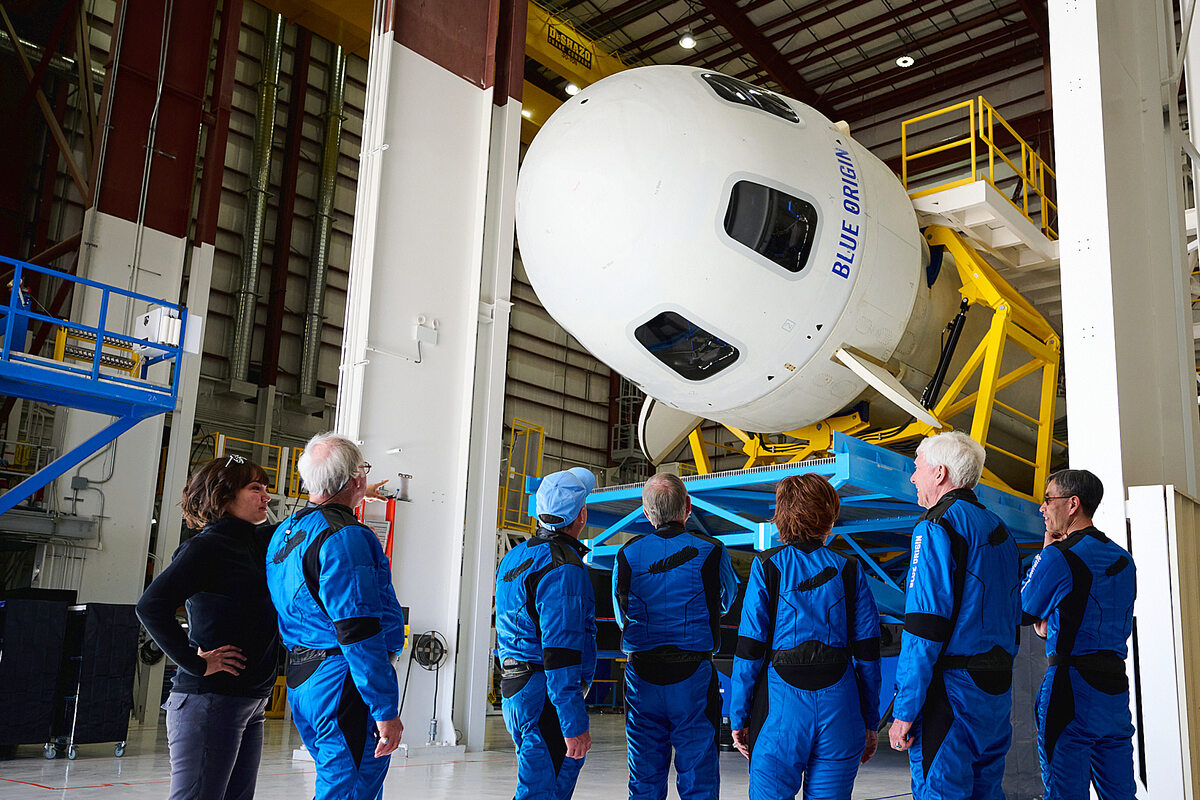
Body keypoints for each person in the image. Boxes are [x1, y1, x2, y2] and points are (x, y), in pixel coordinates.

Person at [265, 433, 406, 800]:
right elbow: (357, 630)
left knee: (339, 779)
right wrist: (385, 708)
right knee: (349, 788)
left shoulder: (285, 534)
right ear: (355, 479)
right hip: (342, 683)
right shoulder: (347, 537)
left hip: (304, 678)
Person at [730, 473, 882, 800]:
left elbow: (749, 650)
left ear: (782, 516)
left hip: (779, 713)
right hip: (841, 708)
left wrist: (739, 715)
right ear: (829, 516)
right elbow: (869, 653)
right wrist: (870, 721)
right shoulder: (850, 569)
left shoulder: (767, 567)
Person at [136, 455, 279, 800]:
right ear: (224, 496)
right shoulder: (207, 547)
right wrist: (197, 662)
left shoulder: (256, 542)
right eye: (255, 488)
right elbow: (150, 606)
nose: (267, 497)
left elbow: (304, 522)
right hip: (211, 701)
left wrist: (346, 492)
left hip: (251, 702)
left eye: (266, 489)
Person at [889, 431, 1021, 800]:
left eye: (917, 468)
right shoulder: (1001, 531)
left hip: (950, 696)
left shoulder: (935, 527)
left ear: (940, 473)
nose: (913, 478)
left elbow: (924, 626)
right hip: (994, 693)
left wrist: (905, 711)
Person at [612, 473, 739, 800]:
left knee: (644, 776)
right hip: (694, 677)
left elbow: (620, 614)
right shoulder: (712, 549)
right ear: (688, 508)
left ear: (645, 513)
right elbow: (727, 597)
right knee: (699, 774)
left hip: (641, 676)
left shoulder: (626, 554)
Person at [1021, 469, 1136, 799]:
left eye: (1047, 500)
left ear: (1073, 504)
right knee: (1120, 794)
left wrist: (1044, 554)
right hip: (1114, 692)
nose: (1042, 508)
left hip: (1069, 690)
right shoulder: (1123, 559)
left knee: (1064, 793)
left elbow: (1024, 611)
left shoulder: (1060, 557)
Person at [495, 467, 598, 800]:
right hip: (545, 695)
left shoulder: (515, 557)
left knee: (543, 783)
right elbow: (560, 651)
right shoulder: (563, 567)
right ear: (581, 514)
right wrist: (572, 721)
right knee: (542, 789)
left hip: (517, 687)